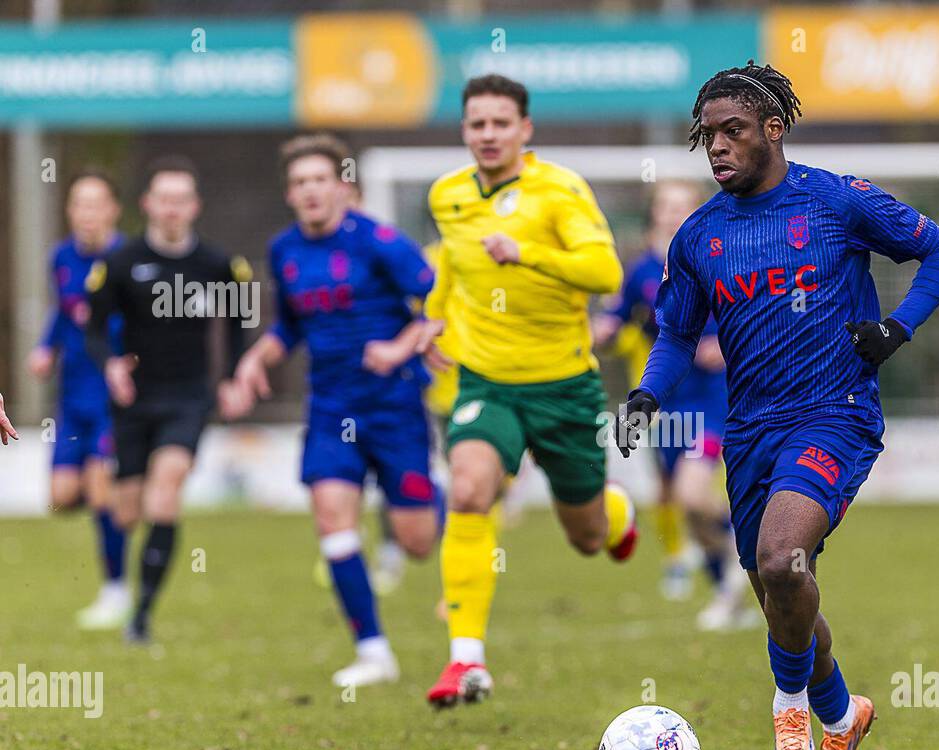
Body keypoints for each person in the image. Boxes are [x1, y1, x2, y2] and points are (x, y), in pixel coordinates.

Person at [618, 62, 939, 750]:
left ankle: (790, 711)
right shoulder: (698, 235)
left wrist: (896, 328)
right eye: (706, 135)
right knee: (785, 598)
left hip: (834, 415)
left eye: (732, 131)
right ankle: (843, 717)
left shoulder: (835, 200)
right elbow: (677, 333)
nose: (716, 147)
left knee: (782, 561)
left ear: (773, 129)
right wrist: (649, 393)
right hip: (749, 432)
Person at [422, 73, 635, 707]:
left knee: (588, 537)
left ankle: (614, 510)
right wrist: (432, 317)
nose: (487, 134)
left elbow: (605, 272)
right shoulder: (447, 196)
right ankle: (465, 661)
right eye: (476, 124)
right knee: (467, 490)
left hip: (565, 389)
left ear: (524, 130)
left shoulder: (559, 191)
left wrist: (527, 254)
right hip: (487, 383)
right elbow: (453, 271)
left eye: (499, 123)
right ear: (465, 131)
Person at [231, 133, 441, 687]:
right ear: (290, 193)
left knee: (418, 542)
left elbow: (440, 304)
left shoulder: (382, 242)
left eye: (320, 180)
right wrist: (259, 356)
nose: (310, 191)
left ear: (343, 186)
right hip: (329, 407)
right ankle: (373, 651)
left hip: (394, 406)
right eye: (299, 183)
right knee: (331, 519)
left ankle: (446, 503)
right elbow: (291, 325)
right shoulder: (285, 250)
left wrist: (400, 347)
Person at [85, 155, 254, 644]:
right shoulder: (121, 263)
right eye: (164, 199)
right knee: (128, 510)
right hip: (135, 401)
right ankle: (125, 592)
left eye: (182, 199)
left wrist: (233, 377)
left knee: (167, 490)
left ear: (195, 205)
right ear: (147, 204)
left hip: (189, 397)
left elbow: (240, 321)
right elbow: (94, 329)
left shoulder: (218, 265)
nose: (173, 209)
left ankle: (141, 615)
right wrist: (110, 365)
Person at [595, 180, 755, 630]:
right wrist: (602, 332)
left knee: (690, 491)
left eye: (681, 206)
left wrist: (725, 345)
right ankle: (729, 586)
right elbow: (619, 317)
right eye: (664, 206)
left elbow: (753, 317)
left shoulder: (721, 260)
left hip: (711, 398)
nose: (671, 214)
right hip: (663, 406)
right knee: (686, 505)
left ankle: (753, 552)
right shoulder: (642, 270)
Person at [26, 169, 130, 628]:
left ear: (112, 210)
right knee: (63, 497)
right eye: (78, 205)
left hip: (113, 396)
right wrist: (46, 347)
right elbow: (63, 313)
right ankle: (124, 500)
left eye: (95, 204)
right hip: (73, 397)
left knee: (101, 489)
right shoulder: (62, 258)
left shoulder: (128, 260)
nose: (86, 214)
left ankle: (116, 588)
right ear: (70, 211)